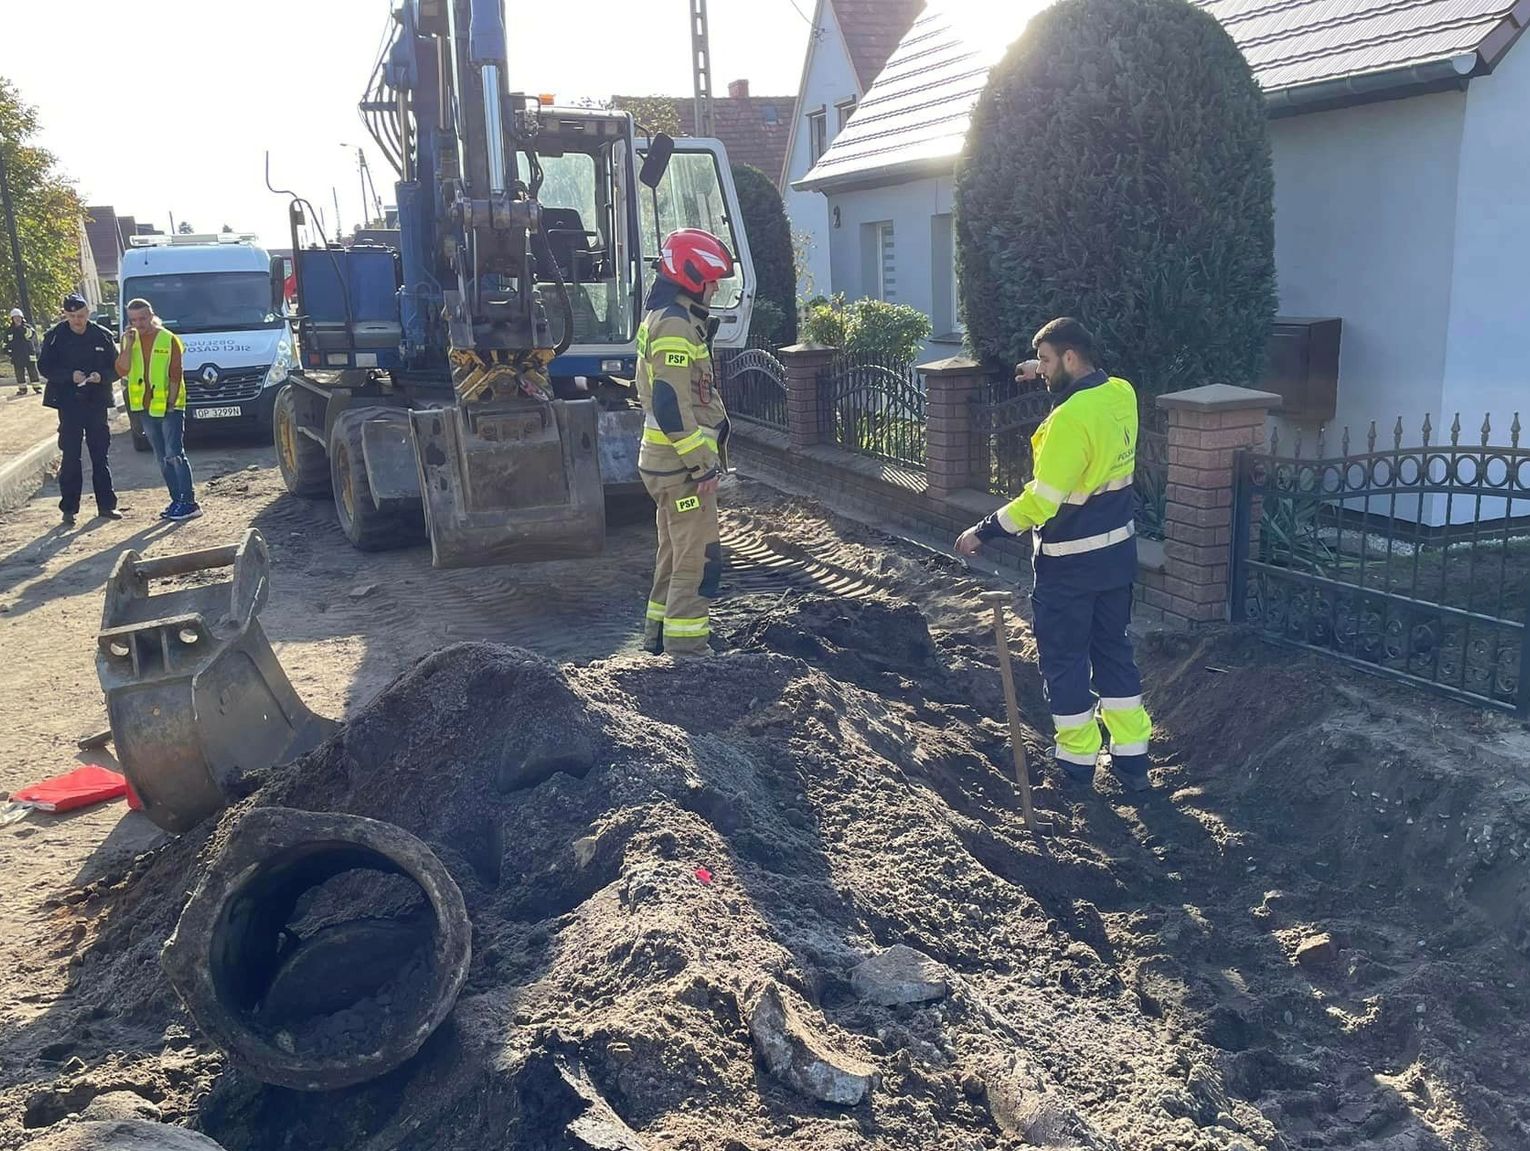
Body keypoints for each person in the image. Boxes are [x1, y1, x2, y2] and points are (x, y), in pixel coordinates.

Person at [956, 317, 1154, 791]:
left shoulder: (1068, 421)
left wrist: (984, 531)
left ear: (1069, 357)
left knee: (1065, 662)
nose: (1041, 371)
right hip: (1117, 558)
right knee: (1113, 652)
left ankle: (1077, 764)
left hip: (1069, 566)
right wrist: (1039, 365)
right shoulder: (1121, 394)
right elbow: (1082, 383)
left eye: (1046, 361)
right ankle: (1132, 762)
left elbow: (1042, 502)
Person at [635, 228, 734, 659]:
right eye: (711, 280)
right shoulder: (675, 324)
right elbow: (671, 402)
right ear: (692, 277)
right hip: (682, 472)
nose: (714, 288)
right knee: (696, 558)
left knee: (673, 553)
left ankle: (657, 639)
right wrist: (702, 465)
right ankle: (688, 650)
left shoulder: (666, 317)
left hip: (664, 465)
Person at [37, 294, 122, 527]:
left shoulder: (102, 335)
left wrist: (101, 377)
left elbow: (116, 368)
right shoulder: (55, 337)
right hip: (69, 404)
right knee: (71, 456)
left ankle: (106, 506)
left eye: (81, 315)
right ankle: (69, 509)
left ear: (88, 313)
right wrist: (68, 376)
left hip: (96, 403)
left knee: (99, 454)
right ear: (65, 314)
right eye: (72, 316)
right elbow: (44, 366)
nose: (77, 320)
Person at [117, 297, 200, 521]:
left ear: (151, 316)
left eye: (143, 318)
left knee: (174, 455)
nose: (139, 323)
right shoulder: (130, 341)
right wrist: (126, 345)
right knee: (162, 457)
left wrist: (172, 404)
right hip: (144, 408)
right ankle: (176, 500)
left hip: (169, 407)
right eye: (133, 319)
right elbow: (122, 371)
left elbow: (176, 374)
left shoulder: (167, 339)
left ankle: (189, 502)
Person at [7, 308, 42, 395]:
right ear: (12, 319)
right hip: (17, 356)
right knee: (19, 373)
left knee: (33, 371)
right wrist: (8, 351)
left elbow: (30, 335)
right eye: (15, 318)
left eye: (18, 317)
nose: (17, 319)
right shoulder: (10, 330)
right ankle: (22, 389)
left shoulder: (28, 327)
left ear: (22, 318)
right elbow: (6, 342)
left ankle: (37, 388)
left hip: (28, 354)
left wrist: (21, 328)